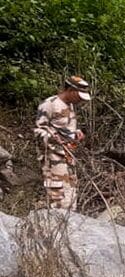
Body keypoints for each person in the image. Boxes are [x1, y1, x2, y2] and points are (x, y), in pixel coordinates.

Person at [34, 76, 91, 209]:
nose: (80, 100)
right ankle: (56, 218)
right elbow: (38, 130)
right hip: (53, 156)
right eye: (79, 96)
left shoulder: (70, 105)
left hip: (69, 155)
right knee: (58, 196)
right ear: (70, 90)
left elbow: (64, 126)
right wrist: (52, 137)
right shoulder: (50, 104)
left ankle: (70, 217)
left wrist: (76, 132)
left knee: (71, 192)